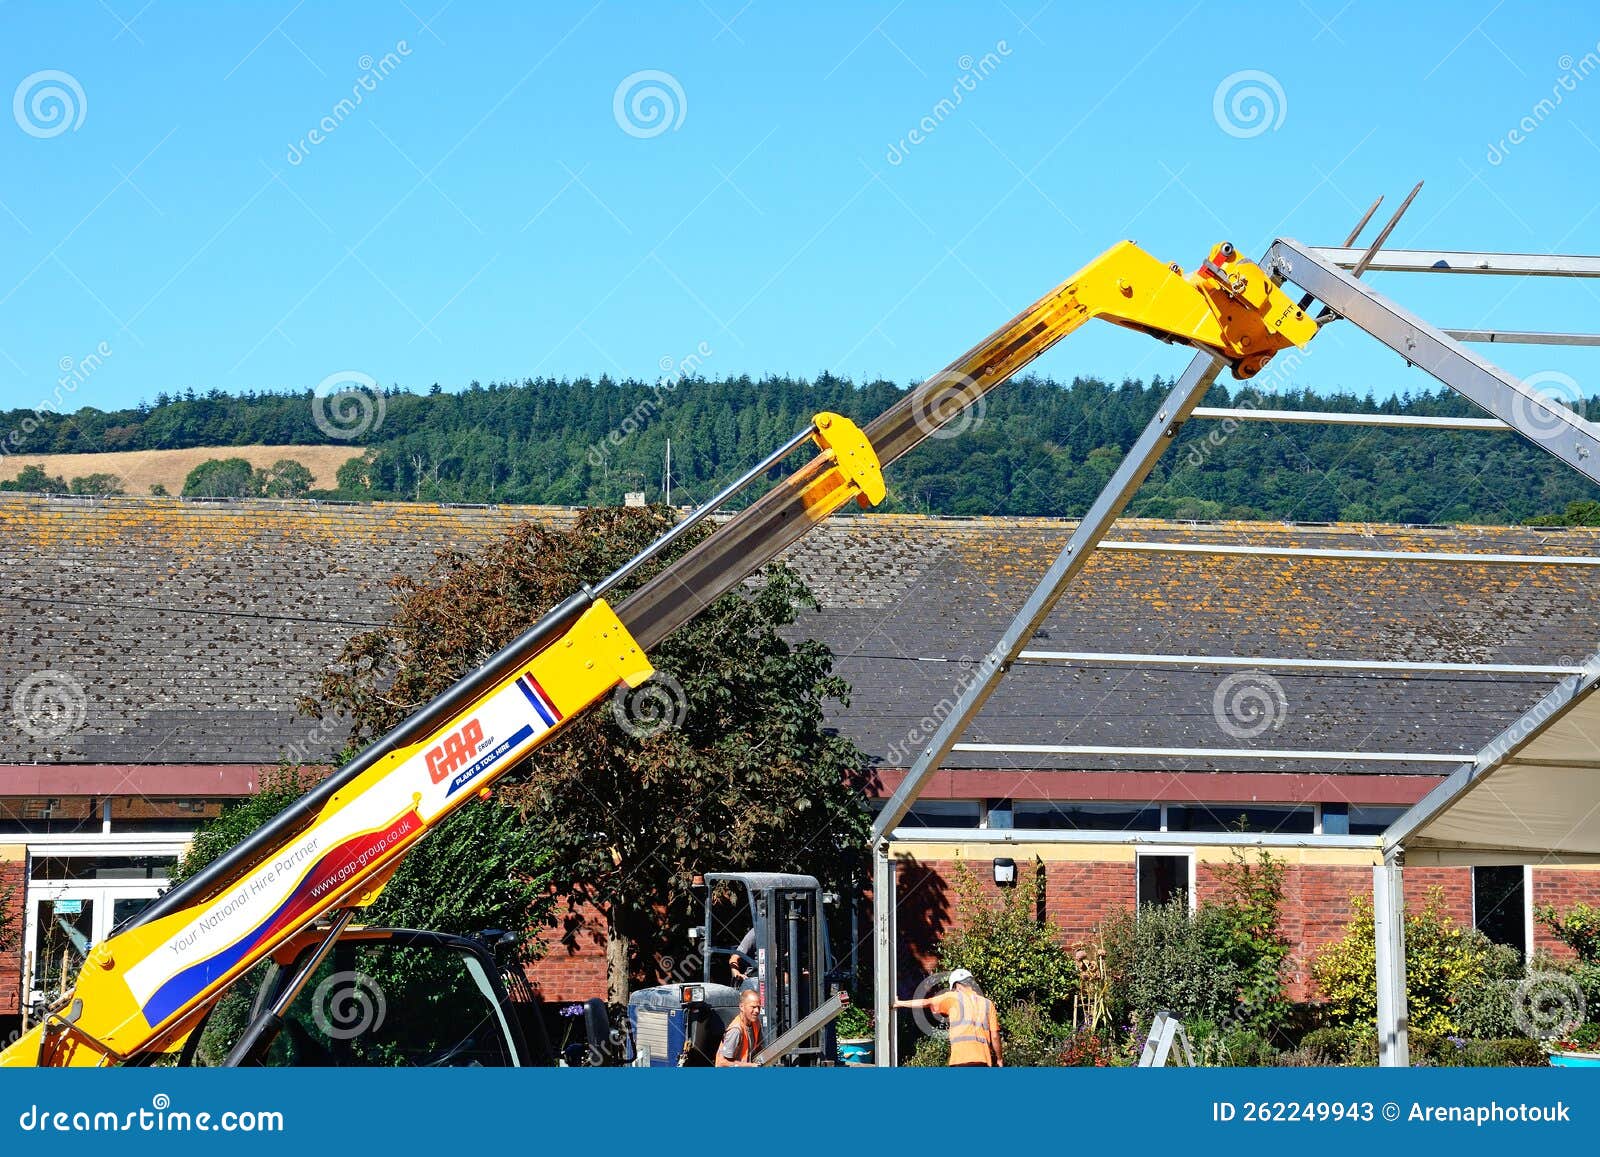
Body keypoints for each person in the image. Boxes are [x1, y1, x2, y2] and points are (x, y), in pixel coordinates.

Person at [895, 968, 1002, 1067]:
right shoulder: (988, 1004)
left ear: (958, 985)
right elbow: (995, 1037)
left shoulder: (953, 997)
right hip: (984, 1060)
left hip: (960, 1059)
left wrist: (899, 1003)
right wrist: (999, 1059)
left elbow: (925, 1002)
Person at [715, 989, 764, 1067]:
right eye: (753, 1007)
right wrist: (750, 1066)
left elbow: (759, 1048)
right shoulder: (736, 1030)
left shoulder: (756, 1023)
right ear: (742, 1007)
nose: (757, 1010)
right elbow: (722, 1063)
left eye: (758, 1007)